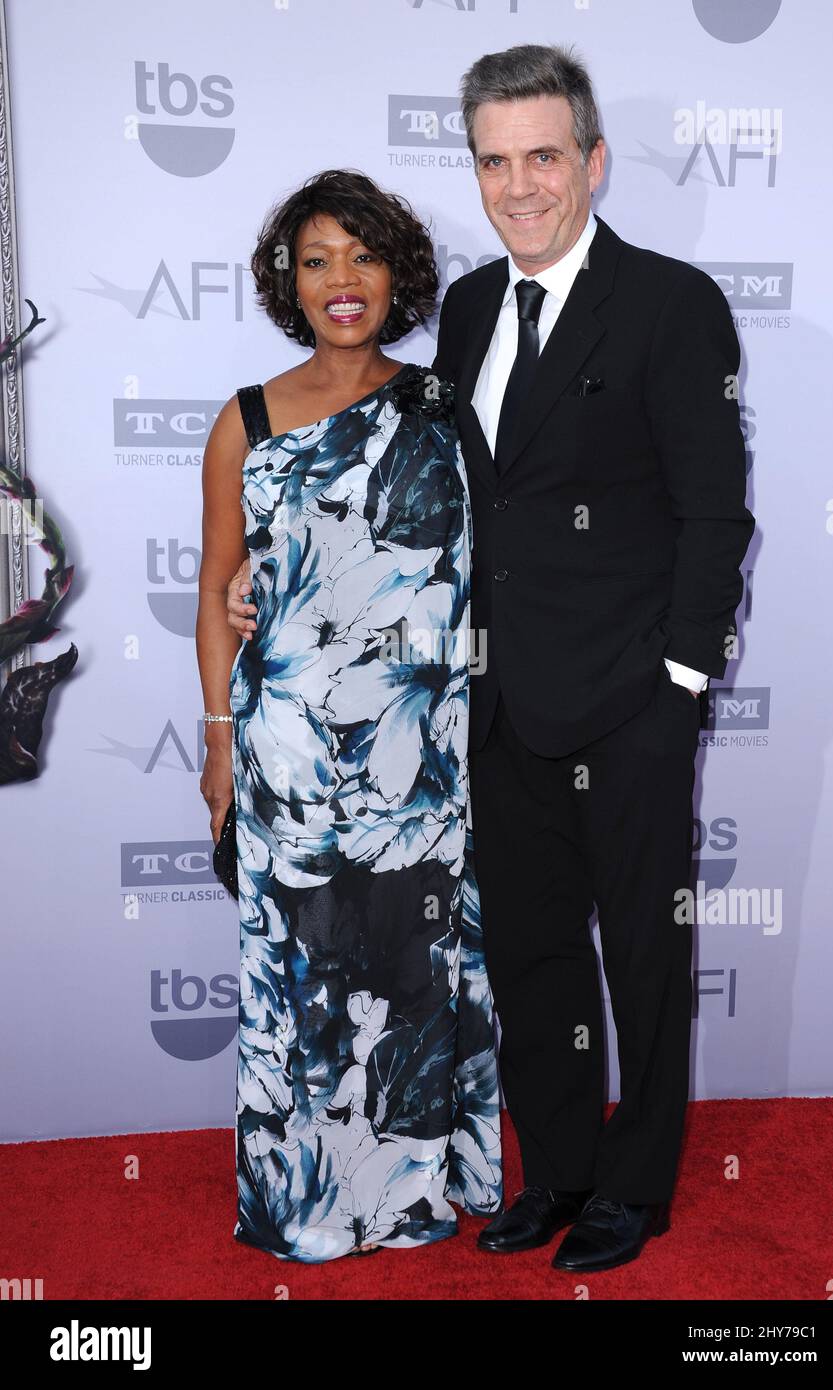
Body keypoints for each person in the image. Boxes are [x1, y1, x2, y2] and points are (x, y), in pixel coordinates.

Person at [228, 45, 755, 1276]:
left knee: (642, 956)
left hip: (630, 700)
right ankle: (561, 1168)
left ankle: (635, 1186)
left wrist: (680, 684)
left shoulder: (674, 305)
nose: (521, 186)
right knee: (529, 956)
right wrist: (275, 569)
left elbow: (715, 511)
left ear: (592, 162)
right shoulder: (465, 312)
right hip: (491, 703)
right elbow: (404, 495)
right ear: (475, 170)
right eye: (495, 161)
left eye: (545, 157)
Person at [196, 168, 502, 1264]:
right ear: (291, 279)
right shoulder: (245, 420)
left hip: (415, 752)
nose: (342, 281)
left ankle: (414, 1195)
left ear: (396, 274)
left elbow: (482, 561)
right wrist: (219, 746)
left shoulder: (442, 403)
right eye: (317, 259)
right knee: (303, 984)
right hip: (285, 750)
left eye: (363, 257)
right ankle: (308, 1202)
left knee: (413, 974)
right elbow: (216, 589)